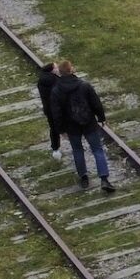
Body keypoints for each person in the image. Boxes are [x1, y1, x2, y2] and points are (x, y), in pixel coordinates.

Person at [50, 60, 114, 192]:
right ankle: (104, 179)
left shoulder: (56, 91)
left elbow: (56, 113)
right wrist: (101, 118)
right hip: (88, 122)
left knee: (77, 150)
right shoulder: (84, 85)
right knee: (97, 149)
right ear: (71, 70)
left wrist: (60, 129)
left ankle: (83, 177)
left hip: (71, 126)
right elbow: (96, 103)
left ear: (60, 73)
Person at [35, 61, 62, 153]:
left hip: (49, 109)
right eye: (56, 67)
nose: (58, 68)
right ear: (52, 70)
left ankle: (55, 148)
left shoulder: (41, 80)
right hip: (59, 108)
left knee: (53, 128)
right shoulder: (56, 80)